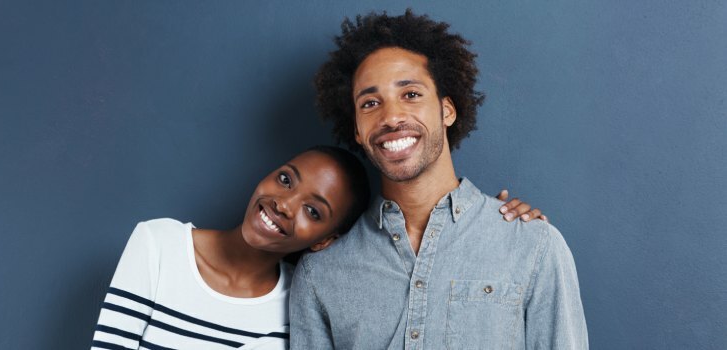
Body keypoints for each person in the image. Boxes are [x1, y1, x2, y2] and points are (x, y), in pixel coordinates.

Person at [290, 10, 588, 349]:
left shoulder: (533, 246)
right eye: (371, 103)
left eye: (411, 94)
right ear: (357, 130)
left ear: (447, 110)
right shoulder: (321, 275)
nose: (391, 117)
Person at [91, 145, 544, 349]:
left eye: (313, 211)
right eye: (286, 179)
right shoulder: (159, 245)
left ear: (325, 241)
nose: (283, 205)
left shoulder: (302, 298)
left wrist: (492, 223)